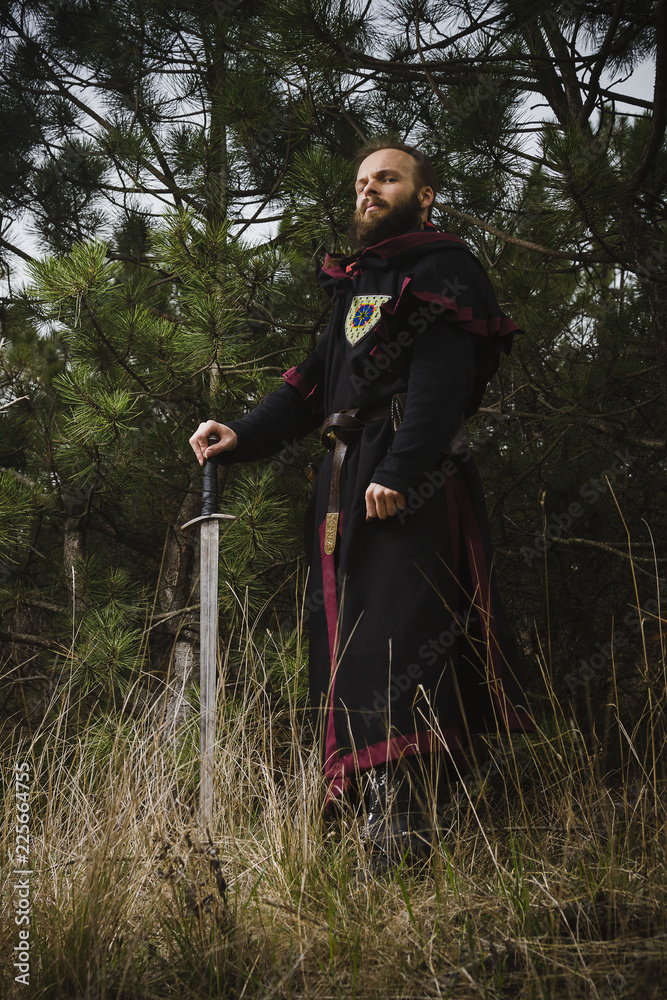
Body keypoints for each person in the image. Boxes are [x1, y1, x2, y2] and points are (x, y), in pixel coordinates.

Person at [190, 139, 533, 868]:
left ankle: (405, 830)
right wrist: (239, 435)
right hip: (349, 482)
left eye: (386, 179)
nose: (368, 191)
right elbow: (310, 388)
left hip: (404, 482)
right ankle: (381, 820)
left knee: (402, 644)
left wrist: (404, 469)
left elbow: (440, 380)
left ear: (425, 193)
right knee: (351, 651)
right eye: (361, 183)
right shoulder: (358, 282)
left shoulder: (442, 267)